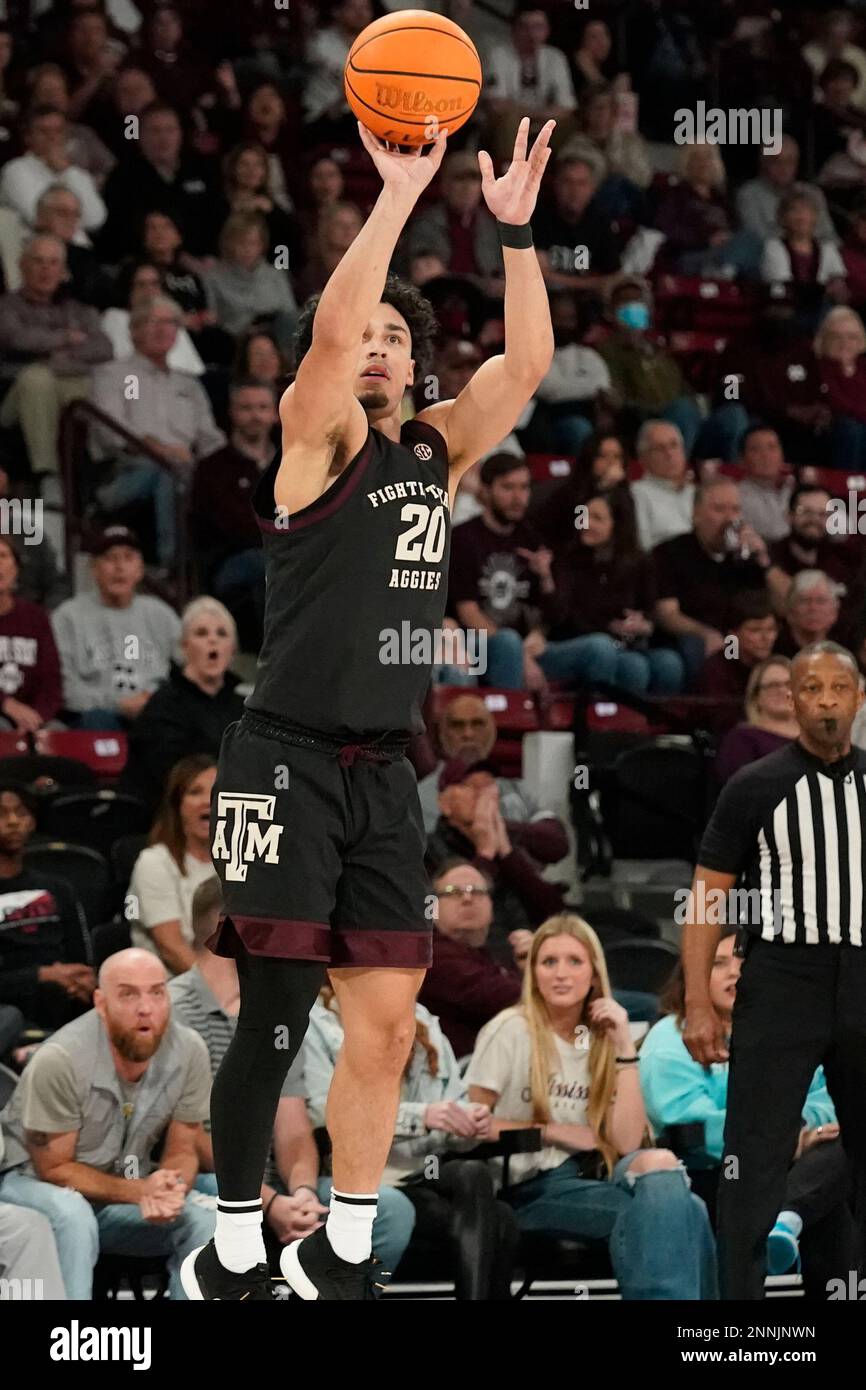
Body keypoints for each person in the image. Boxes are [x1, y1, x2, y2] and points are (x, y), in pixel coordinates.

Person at [182, 114, 559, 1301]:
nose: (381, 347)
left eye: (403, 336)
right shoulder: (312, 434)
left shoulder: (433, 458)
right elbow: (335, 328)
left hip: (381, 772)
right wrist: (395, 196)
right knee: (279, 1012)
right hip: (280, 757)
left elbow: (528, 367)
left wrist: (514, 233)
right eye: (368, 338)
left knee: (389, 1024)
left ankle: (343, 1250)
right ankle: (235, 1245)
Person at [681, 641, 866, 1300]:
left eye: (837, 689)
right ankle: (743, 1323)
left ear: (858, 697)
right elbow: (707, 897)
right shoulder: (755, 784)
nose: (824, 702)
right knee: (753, 1158)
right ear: (790, 697)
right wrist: (699, 1001)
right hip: (783, 977)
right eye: (810, 689)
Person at [169, 878, 415, 1282]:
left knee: (390, 1208)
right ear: (229, 923)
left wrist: (300, 1191)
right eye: (275, 918)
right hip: (207, 1178)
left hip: (277, 1186)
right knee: (211, 1199)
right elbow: (187, 1136)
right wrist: (266, 1204)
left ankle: (329, 1287)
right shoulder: (169, 1010)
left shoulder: (276, 1009)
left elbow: (293, 1127)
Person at [466, 913, 718, 1299]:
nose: (561, 974)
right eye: (548, 962)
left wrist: (623, 1049)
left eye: (574, 962)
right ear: (533, 972)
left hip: (597, 1174)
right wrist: (550, 1131)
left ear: (593, 974)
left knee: (666, 1175)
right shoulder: (510, 1030)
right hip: (531, 1187)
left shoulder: (603, 1037)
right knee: (688, 1212)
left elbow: (628, 1141)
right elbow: (471, 1124)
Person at [641, 928, 856, 1292]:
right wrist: (788, 1137)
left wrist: (801, 1131)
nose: (733, 972)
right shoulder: (669, 1037)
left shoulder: (789, 1031)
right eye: (719, 963)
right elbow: (689, 1124)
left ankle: (789, 1218)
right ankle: (791, 1219)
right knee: (821, 1195)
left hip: (794, 1163)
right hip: (717, 1171)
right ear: (693, 978)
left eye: (744, 962)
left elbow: (824, 1097)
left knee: (846, 1142)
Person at [0, 947, 214, 1301]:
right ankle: (72, 1343)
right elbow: (53, 1168)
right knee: (72, 1215)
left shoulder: (189, 1050)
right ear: (100, 1002)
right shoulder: (62, 1059)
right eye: (128, 994)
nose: (146, 1008)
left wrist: (168, 1189)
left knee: (206, 1219)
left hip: (120, 1193)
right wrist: (139, 1191)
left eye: (157, 992)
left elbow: (183, 1147)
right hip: (31, 1185)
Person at [304, 979, 519, 1300]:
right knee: (501, 1218)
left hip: (421, 1171)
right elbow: (321, 1113)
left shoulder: (424, 1021)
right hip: (360, 1178)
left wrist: (468, 1122)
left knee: (473, 1174)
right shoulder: (319, 1023)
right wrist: (421, 1116)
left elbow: (452, 1107)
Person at [89, 295, 226, 571]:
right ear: (134, 330)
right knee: (166, 471)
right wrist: (161, 450)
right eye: (154, 322)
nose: (164, 329)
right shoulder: (117, 375)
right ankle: (172, 567)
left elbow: (210, 437)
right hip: (126, 473)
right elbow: (113, 434)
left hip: (187, 469)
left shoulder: (189, 385)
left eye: (171, 323)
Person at [542, 490, 685, 695]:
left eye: (597, 518)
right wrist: (608, 626)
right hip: (583, 641)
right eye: (583, 515)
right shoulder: (569, 559)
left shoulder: (640, 562)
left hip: (629, 644)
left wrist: (643, 625)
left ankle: (659, 724)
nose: (586, 523)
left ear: (619, 525)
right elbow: (564, 618)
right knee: (632, 666)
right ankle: (609, 720)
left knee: (670, 663)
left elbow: (650, 611)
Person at [426, 759, 566, 957]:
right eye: (472, 787)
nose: (484, 796)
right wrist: (485, 854)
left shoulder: (506, 847)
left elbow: (553, 910)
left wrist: (507, 853)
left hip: (522, 949)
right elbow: (440, 915)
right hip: (463, 956)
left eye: (490, 787)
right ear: (445, 804)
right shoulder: (427, 851)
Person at [0, 233, 112, 476]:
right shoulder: (6, 306)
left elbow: (103, 347)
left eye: (53, 263)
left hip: (68, 383)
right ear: (22, 265)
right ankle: (47, 473)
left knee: (123, 382)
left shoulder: (78, 309)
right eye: (38, 261)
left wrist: (56, 358)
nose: (46, 269)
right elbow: (16, 339)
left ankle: (107, 465)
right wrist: (65, 338)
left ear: (63, 270)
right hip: (13, 395)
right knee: (36, 378)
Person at [121, 598, 245, 817]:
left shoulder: (243, 709)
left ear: (232, 650)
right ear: (184, 646)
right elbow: (172, 775)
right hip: (169, 818)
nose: (212, 641)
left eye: (221, 634)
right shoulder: (163, 705)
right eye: (201, 633)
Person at [51, 525, 181, 729]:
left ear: (140, 569)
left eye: (128, 557)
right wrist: (116, 704)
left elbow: (191, 668)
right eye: (110, 558)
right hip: (96, 718)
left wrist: (157, 701)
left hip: (154, 713)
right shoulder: (68, 616)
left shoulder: (161, 614)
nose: (119, 567)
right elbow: (63, 688)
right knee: (98, 720)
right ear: (93, 568)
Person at [447, 452, 558, 690]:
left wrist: (546, 578)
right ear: (485, 491)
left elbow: (548, 610)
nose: (518, 498)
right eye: (508, 488)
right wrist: (520, 653)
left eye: (524, 488)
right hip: (476, 643)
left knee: (597, 649)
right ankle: (509, 723)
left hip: (526, 646)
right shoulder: (463, 538)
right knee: (507, 643)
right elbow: (468, 613)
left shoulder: (532, 539)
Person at [652, 476, 770, 688]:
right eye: (719, 509)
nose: (729, 519)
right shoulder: (669, 553)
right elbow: (666, 613)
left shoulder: (747, 557)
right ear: (696, 515)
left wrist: (763, 560)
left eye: (735, 510)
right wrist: (706, 634)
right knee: (700, 648)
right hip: (690, 639)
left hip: (738, 639)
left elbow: (774, 608)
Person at [0, 782, 94, 1034]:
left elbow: (81, 957)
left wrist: (82, 980)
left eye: (21, 813)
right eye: (2, 814)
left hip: (65, 999)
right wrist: (40, 976)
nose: (12, 821)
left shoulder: (58, 888)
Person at [188, 380, 275, 638]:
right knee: (271, 565)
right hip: (232, 561)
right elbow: (237, 527)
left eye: (262, 407)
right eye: (246, 408)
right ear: (232, 413)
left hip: (284, 555)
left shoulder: (291, 462)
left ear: (275, 413)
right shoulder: (212, 468)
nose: (255, 415)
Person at [418, 859, 523, 1059]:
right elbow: (504, 998)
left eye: (477, 891)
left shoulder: (487, 954)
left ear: (492, 907)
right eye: (452, 892)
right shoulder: (431, 955)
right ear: (431, 908)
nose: (467, 898)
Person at [128, 754, 219, 976]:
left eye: (217, 792)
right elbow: (173, 950)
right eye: (195, 792)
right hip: (172, 991)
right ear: (177, 805)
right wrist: (223, 995)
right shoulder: (154, 863)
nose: (208, 800)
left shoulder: (241, 863)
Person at [98, 101, 223, 260]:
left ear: (180, 134)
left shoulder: (202, 169)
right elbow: (120, 230)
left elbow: (215, 215)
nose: (164, 138)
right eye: (155, 131)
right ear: (140, 136)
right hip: (144, 263)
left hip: (204, 260)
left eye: (170, 130)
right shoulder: (123, 176)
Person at [600, 277, 703, 456]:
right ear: (612, 312)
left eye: (639, 301)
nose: (633, 306)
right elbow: (617, 400)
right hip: (642, 422)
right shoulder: (607, 352)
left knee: (731, 416)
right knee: (681, 410)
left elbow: (684, 390)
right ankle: (674, 464)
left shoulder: (660, 352)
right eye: (626, 300)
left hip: (683, 419)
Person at [654, 144, 761, 280]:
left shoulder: (721, 200)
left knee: (752, 240)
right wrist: (706, 240)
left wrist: (726, 238)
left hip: (725, 251)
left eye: (708, 158)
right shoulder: (675, 195)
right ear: (686, 162)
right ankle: (725, 270)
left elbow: (737, 229)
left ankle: (726, 269)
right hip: (692, 255)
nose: (703, 163)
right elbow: (666, 229)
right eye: (697, 158)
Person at [485, 6, 577, 162]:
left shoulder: (555, 57)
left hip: (542, 123)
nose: (531, 34)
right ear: (514, 30)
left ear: (547, 30)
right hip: (505, 126)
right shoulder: (498, 55)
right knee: (510, 120)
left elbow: (567, 106)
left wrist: (530, 114)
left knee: (571, 125)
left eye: (538, 27)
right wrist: (539, 113)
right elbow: (496, 105)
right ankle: (510, 171)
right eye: (525, 27)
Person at [403, 151, 503, 293]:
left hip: (482, 304)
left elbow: (498, 273)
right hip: (441, 299)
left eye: (473, 179)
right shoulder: (426, 223)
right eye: (460, 179)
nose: (467, 187)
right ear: (445, 185)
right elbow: (422, 273)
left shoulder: (490, 226)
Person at [0, 103, 107, 233]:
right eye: (44, 131)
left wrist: (66, 171)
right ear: (28, 137)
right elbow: (40, 219)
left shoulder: (76, 173)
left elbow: (95, 220)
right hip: (38, 248)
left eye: (58, 131)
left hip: (79, 248)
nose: (52, 137)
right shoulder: (16, 170)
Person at [204, 210, 297, 352]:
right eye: (241, 243)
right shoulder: (213, 278)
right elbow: (213, 320)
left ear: (261, 245)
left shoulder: (276, 275)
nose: (247, 249)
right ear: (229, 243)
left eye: (253, 243)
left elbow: (290, 314)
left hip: (277, 343)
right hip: (236, 345)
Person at [533, 430, 632, 554]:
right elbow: (579, 528)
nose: (611, 463)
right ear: (590, 459)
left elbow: (628, 536)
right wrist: (601, 489)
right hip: (570, 558)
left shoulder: (624, 494)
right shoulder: (569, 492)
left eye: (617, 457)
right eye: (602, 456)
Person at [0, 537, 63, 733]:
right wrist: (6, 705)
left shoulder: (36, 618)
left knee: (58, 734)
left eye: (2, 556)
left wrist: (38, 716)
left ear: (16, 569)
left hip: (31, 717)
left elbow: (51, 683)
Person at [534, 155, 621, 297]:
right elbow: (537, 275)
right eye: (567, 182)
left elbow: (612, 277)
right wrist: (591, 284)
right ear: (556, 185)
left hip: (589, 302)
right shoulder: (539, 216)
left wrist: (560, 280)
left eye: (581, 183)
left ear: (592, 189)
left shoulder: (601, 222)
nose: (574, 191)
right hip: (545, 298)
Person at [761, 190, 848, 330]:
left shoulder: (828, 249)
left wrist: (836, 290)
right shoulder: (774, 247)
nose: (801, 217)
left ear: (814, 217)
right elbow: (784, 287)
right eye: (794, 211)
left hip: (821, 307)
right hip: (788, 308)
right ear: (783, 218)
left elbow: (838, 286)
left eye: (806, 211)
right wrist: (821, 289)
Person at [101, 260, 204, 375]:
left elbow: (195, 369)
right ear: (128, 289)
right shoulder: (115, 317)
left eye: (154, 284)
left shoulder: (170, 317)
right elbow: (122, 360)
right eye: (141, 285)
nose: (149, 291)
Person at [714, 656, 800, 786]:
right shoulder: (742, 739)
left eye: (789, 684)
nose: (782, 690)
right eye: (773, 685)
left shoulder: (816, 736)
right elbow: (739, 788)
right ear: (756, 697)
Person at [736, 137, 838, 244]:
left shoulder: (812, 193)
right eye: (776, 161)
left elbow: (831, 237)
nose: (784, 168)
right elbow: (758, 239)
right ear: (763, 163)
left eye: (790, 161)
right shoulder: (749, 194)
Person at [696, 589, 780, 711]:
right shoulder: (717, 670)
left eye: (771, 629)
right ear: (733, 634)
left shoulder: (779, 666)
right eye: (755, 630)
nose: (766, 638)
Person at [629, 419, 694, 552]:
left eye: (674, 445)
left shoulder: (697, 493)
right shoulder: (636, 494)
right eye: (660, 448)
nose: (669, 454)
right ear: (643, 459)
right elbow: (643, 548)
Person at [814, 305, 866, 471]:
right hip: (835, 431)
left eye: (852, 337)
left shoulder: (863, 366)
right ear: (825, 339)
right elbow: (837, 404)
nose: (845, 343)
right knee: (851, 429)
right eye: (836, 337)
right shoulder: (818, 367)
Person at [736, 426, 794, 544]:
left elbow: (837, 532)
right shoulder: (737, 495)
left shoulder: (792, 488)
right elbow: (777, 532)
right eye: (755, 449)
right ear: (742, 460)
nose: (765, 455)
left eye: (772, 447)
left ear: (782, 455)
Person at [774, 569, 845, 657]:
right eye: (804, 601)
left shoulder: (844, 651)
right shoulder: (774, 649)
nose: (813, 608)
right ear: (790, 609)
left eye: (821, 601)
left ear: (834, 611)